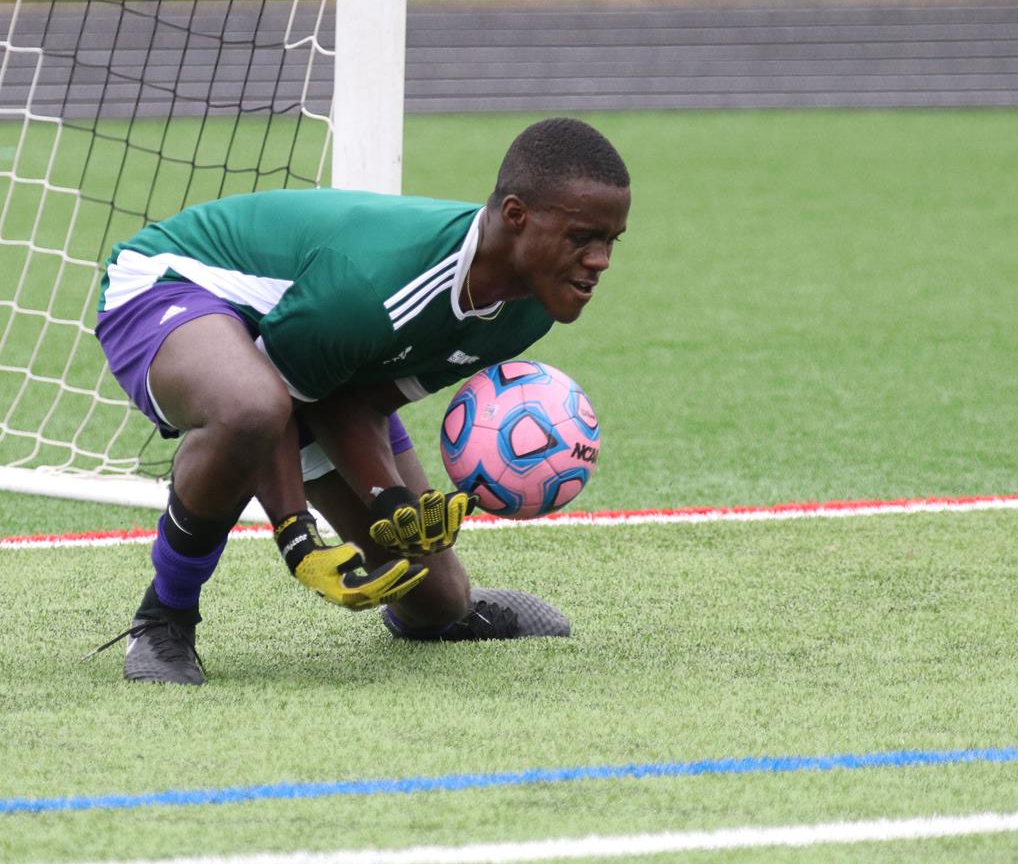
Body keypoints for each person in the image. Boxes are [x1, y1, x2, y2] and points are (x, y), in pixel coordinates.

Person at [90, 117, 631, 684]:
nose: (600, 261)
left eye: (610, 240)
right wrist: (296, 537)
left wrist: (390, 500)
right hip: (169, 285)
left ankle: (437, 602)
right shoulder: (373, 290)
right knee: (250, 407)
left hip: (305, 356)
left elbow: (351, 400)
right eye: (581, 238)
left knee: (436, 601)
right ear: (517, 216)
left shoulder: (527, 308)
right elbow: (280, 398)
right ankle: (164, 619)